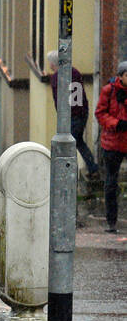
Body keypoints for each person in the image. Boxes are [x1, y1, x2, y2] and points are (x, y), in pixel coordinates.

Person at [43, 51, 99, 180]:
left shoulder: (57, 77)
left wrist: (61, 116)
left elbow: (59, 99)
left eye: (50, 62)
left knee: (66, 145)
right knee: (78, 142)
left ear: (54, 63)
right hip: (81, 113)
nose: (49, 65)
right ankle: (92, 167)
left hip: (70, 116)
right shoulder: (75, 72)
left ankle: (65, 172)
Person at [96, 61, 127, 233]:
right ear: (121, 76)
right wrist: (116, 124)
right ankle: (111, 221)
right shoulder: (109, 91)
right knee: (111, 182)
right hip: (112, 142)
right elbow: (100, 113)